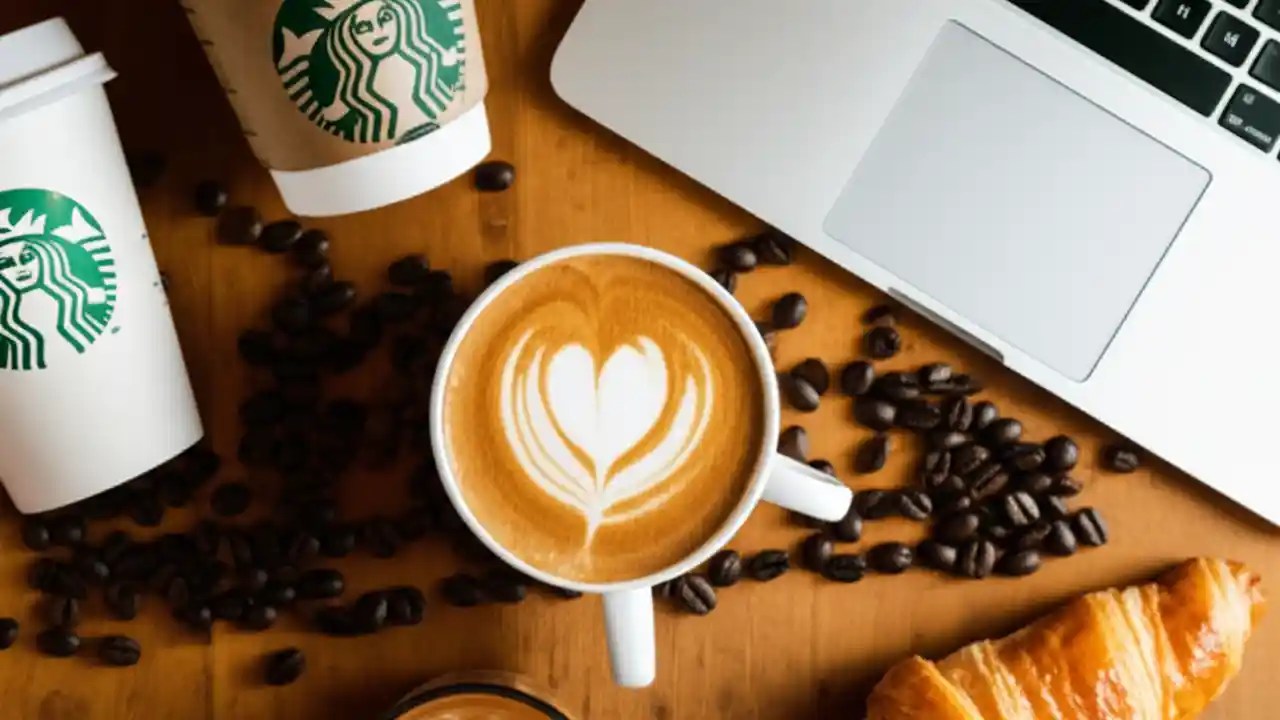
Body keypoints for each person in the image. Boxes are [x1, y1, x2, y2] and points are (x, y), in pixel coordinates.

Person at [319, 0, 463, 143]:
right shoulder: (356, 85)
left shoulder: (423, 57)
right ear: (350, 40)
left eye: (385, 18)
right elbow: (333, 113)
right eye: (364, 27)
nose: (379, 30)